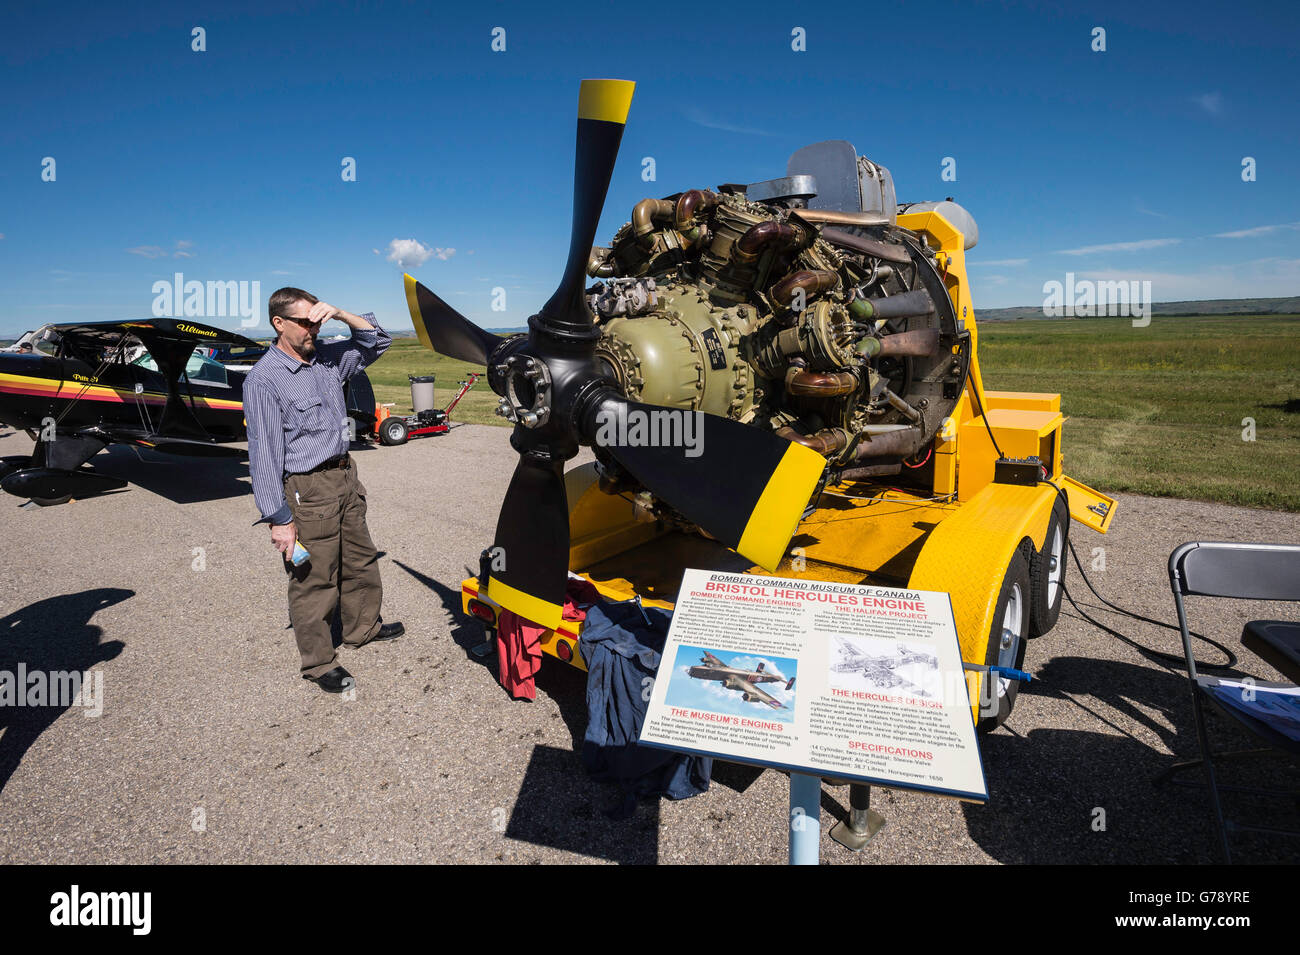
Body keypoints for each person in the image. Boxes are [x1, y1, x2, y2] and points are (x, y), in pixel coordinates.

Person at [242, 287, 403, 693]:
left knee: (361, 560)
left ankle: (363, 628)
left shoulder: (329, 356)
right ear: (279, 323)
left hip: (345, 476)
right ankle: (318, 663)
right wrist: (278, 519)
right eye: (305, 321)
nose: (315, 328)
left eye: (318, 319)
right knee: (314, 577)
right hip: (307, 488)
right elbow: (263, 454)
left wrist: (343, 314)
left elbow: (378, 340)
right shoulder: (264, 380)